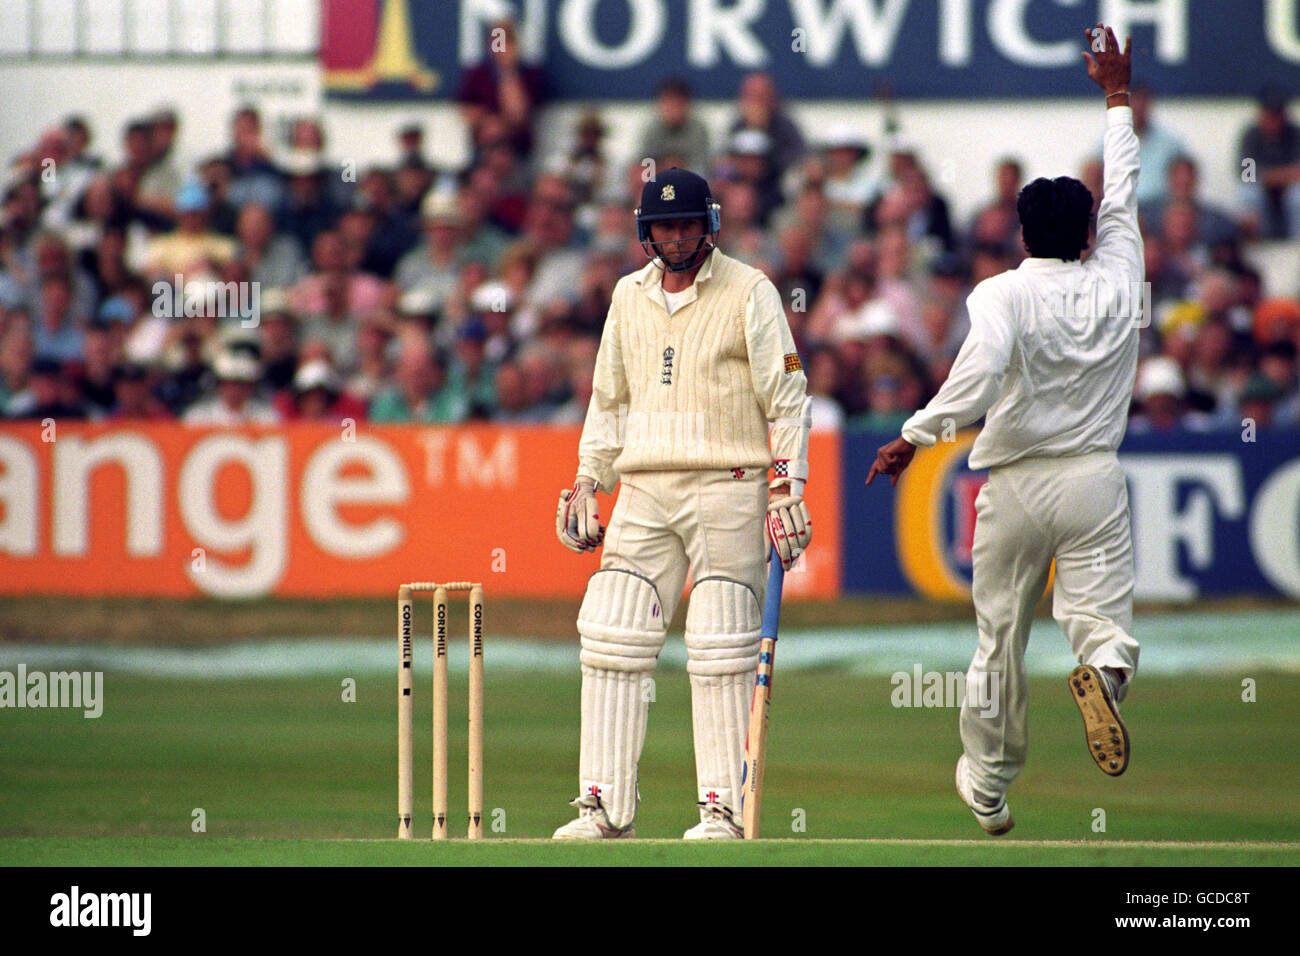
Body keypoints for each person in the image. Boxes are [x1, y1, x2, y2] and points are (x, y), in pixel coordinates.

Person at [865, 26, 1141, 836]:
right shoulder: (1121, 277)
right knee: (1101, 621)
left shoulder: (1001, 294)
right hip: (1093, 477)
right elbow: (1124, 191)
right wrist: (1117, 96)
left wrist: (916, 434)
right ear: (1089, 235)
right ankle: (1105, 673)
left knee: (999, 641)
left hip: (1015, 483)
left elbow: (979, 377)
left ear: (1021, 236)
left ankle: (987, 786)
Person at [550, 167, 812, 840]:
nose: (677, 237)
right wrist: (587, 481)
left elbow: (788, 396)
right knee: (611, 632)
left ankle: (722, 809)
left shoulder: (751, 290)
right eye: (664, 226)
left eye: (688, 225)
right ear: (646, 232)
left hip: (728, 482)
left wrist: (788, 486)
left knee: (721, 640)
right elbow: (608, 400)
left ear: (709, 226)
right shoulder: (627, 295)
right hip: (643, 485)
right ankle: (603, 807)